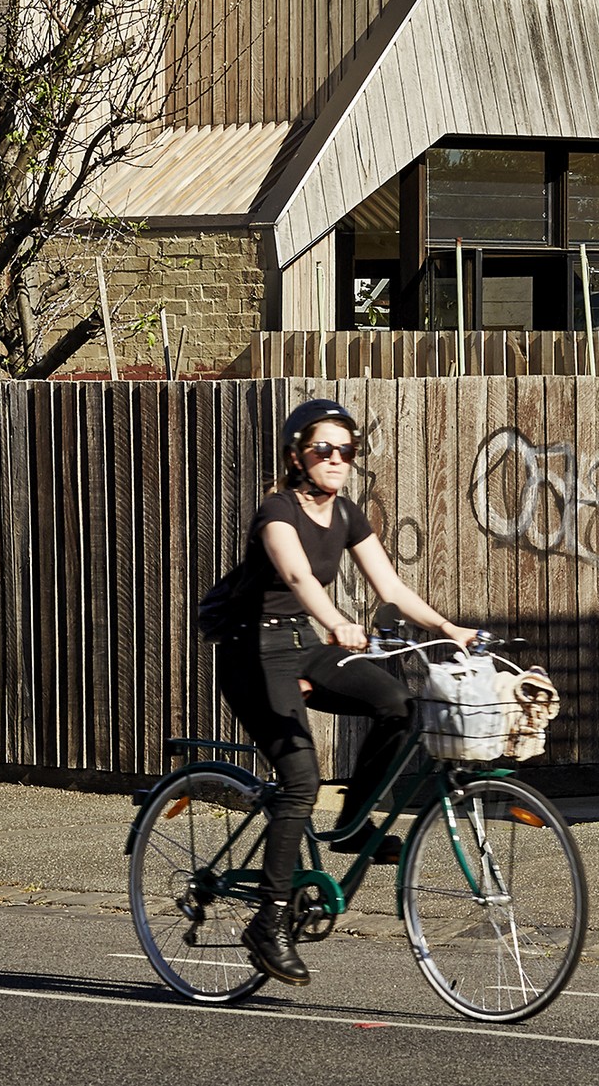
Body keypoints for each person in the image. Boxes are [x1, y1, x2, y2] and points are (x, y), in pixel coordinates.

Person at [217, 397, 478, 986]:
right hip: (252, 651)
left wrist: (449, 629)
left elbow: (391, 587)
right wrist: (336, 621)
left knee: (400, 706)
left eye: (347, 449)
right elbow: (296, 575)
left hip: (302, 643)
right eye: (324, 449)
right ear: (298, 456)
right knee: (302, 781)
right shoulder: (277, 511)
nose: (337, 459)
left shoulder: (346, 514)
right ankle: (268, 922)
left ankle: (355, 824)